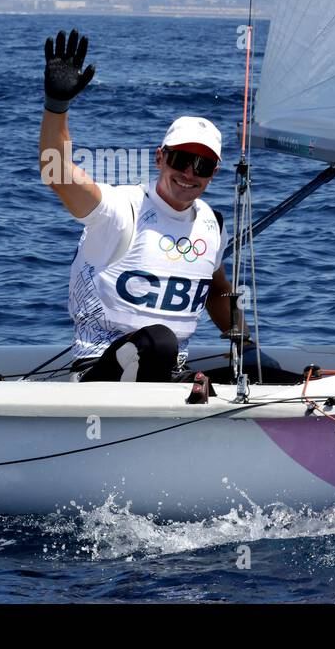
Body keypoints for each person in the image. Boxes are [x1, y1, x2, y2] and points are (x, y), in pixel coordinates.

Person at [39, 28, 257, 384]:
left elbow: (217, 289)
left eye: (201, 166)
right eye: (181, 159)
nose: (189, 173)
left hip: (171, 375)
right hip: (100, 374)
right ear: (160, 158)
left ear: (214, 173)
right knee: (159, 341)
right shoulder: (120, 208)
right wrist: (57, 106)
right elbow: (56, 173)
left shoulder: (211, 224)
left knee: (268, 373)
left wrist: (245, 344)